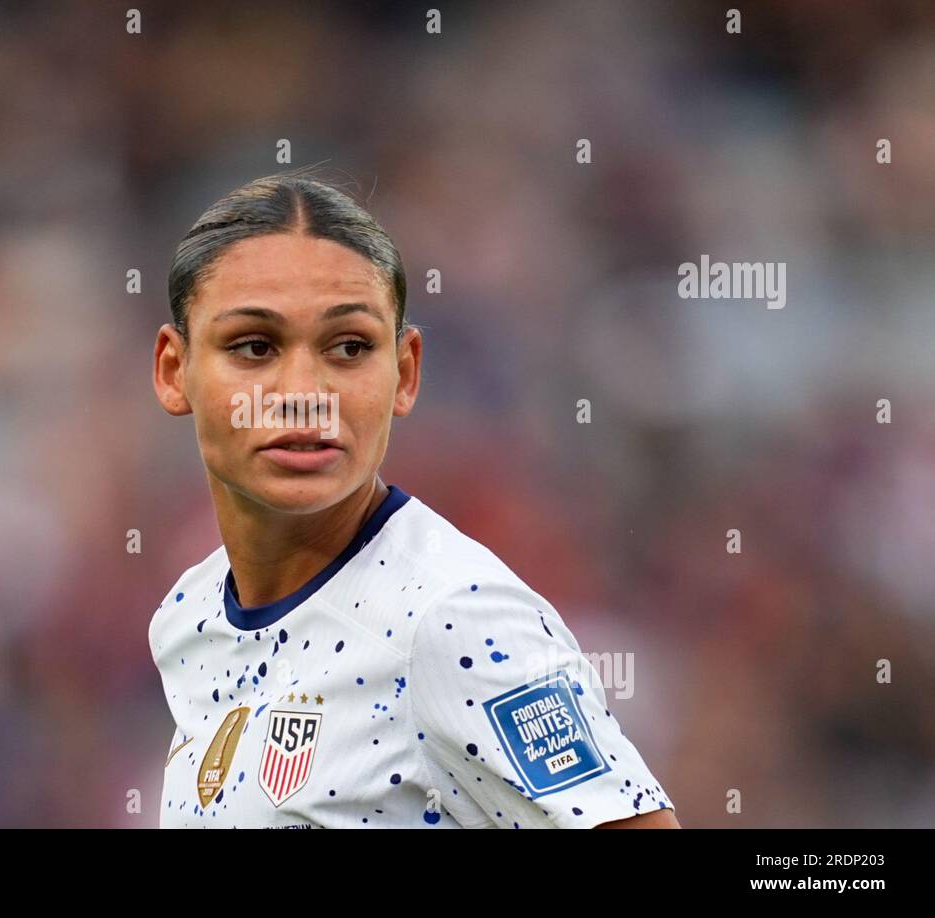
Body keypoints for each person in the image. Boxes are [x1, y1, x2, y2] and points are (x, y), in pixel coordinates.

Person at [149, 170, 680, 828]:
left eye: (349, 347)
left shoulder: (453, 620)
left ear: (405, 373)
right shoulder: (190, 616)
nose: (304, 390)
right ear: (175, 371)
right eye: (254, 347)